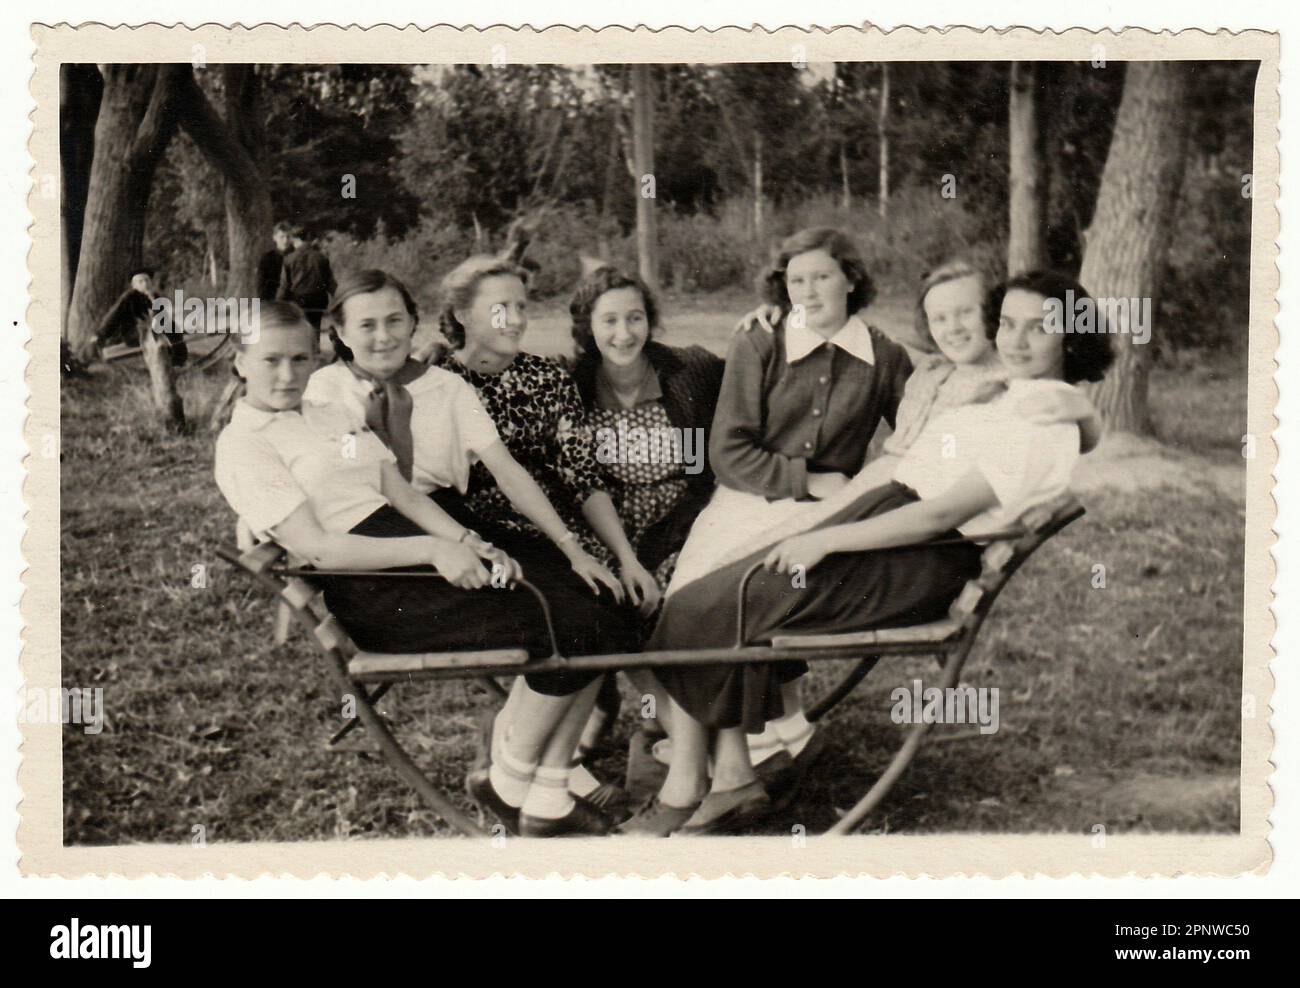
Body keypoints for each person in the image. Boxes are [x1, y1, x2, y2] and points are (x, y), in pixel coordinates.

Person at [620, 269, 1115, 836]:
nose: (1017, 340)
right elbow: (1076, 424)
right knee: (710, 596)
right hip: (889, 526)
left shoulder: (1040, 420)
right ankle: (730, 778)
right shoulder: (1029, 396)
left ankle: (692, 784)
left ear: (1070, 336)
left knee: (707, 607)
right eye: (1007, 324)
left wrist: (824, 538)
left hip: (913, 555)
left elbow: (939, 514)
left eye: (1040, 328)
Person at [217, 301, 633, 838]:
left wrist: (465, 540)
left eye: (300, 358)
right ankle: (511, 783)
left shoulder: (324, 411)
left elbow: (399, 493)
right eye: (271, 360)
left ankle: (548, 790)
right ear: (239, 360)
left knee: (600, 603)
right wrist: (433, 552)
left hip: (408, 546)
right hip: (377, 587)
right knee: (572, 625)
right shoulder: (244, 444)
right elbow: (319, 549)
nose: (288, 373)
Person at [565, 264, 726, 784]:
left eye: (635, 317)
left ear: (650, 321)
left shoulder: (690, 372)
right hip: (607, 529)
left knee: (681, 604)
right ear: (588, 326)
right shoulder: (571, 385)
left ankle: (688, 734)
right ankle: (677, 738)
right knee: (614, 604)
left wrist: (770, 322)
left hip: (681, 523)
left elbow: (758, 373)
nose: (623, 333)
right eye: (609, 320)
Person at [94, 264, 187, 367]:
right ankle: (164, 362)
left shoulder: (154, 296)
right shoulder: (129, 297)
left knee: (173, 329)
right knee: (154, 333)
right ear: (134, 285)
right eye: (141, 281)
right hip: (134, 333)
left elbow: (162, 317)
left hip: (154, 330)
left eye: (147, 280)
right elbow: (114, 315)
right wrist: (101, 334)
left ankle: (178, 361)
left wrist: (153, 300)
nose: (145, 284)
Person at [277, 226, 336, 331]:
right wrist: (340, 299)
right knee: (315, 331)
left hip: (298, 302)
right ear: (308, 238)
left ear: (294, 239)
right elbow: (330, 283)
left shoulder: (289, 259)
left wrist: (278, 304)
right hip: (318, 303)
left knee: (299, 331)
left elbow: (284, 286)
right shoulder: (321, 258)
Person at [257, 221, 295, 300]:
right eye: (282, 237)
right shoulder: (267, 258)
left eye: (288, 237)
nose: (285, 240)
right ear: (274, 237)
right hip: (272, 300)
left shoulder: (297, 256)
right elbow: (261, 285)